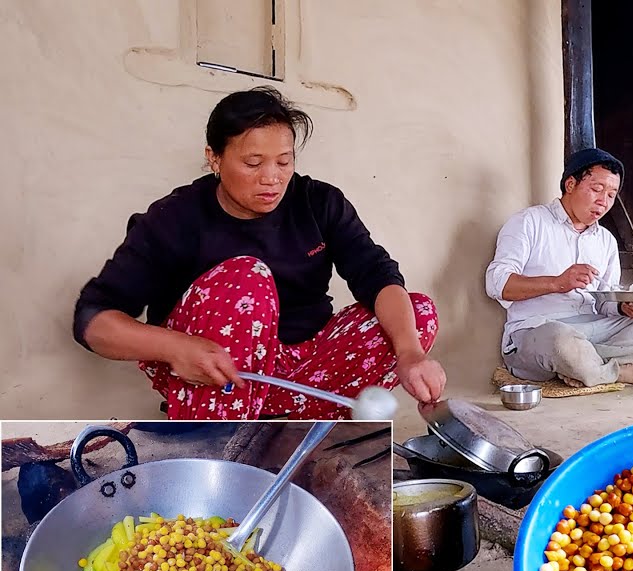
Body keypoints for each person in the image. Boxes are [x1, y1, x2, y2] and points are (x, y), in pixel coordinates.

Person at [73, 86, 446, 420]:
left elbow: (377, 275)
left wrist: (410, 354)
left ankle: (295, 420)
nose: (272, 177)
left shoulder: (319, 202)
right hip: (221, 370)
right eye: (253, 163)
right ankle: (222, 431)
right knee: (246, 278)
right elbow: (94, 321)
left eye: (284, 161)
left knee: (417, 313)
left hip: (304, 369)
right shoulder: (176, 217)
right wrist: (176, 348)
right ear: (215, 159)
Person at [485, 148, 633, 388]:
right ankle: (613, 372)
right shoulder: (529, 222)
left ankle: (584, 366)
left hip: (594, 330)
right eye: (596, 189)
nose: (604, 201)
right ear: (570, 184)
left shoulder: (605, 240)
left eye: (611, 195)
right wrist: (557, 283)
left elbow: (603, 301)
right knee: (560, 340)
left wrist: (623, 307)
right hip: (538, 330)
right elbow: (496, 284)